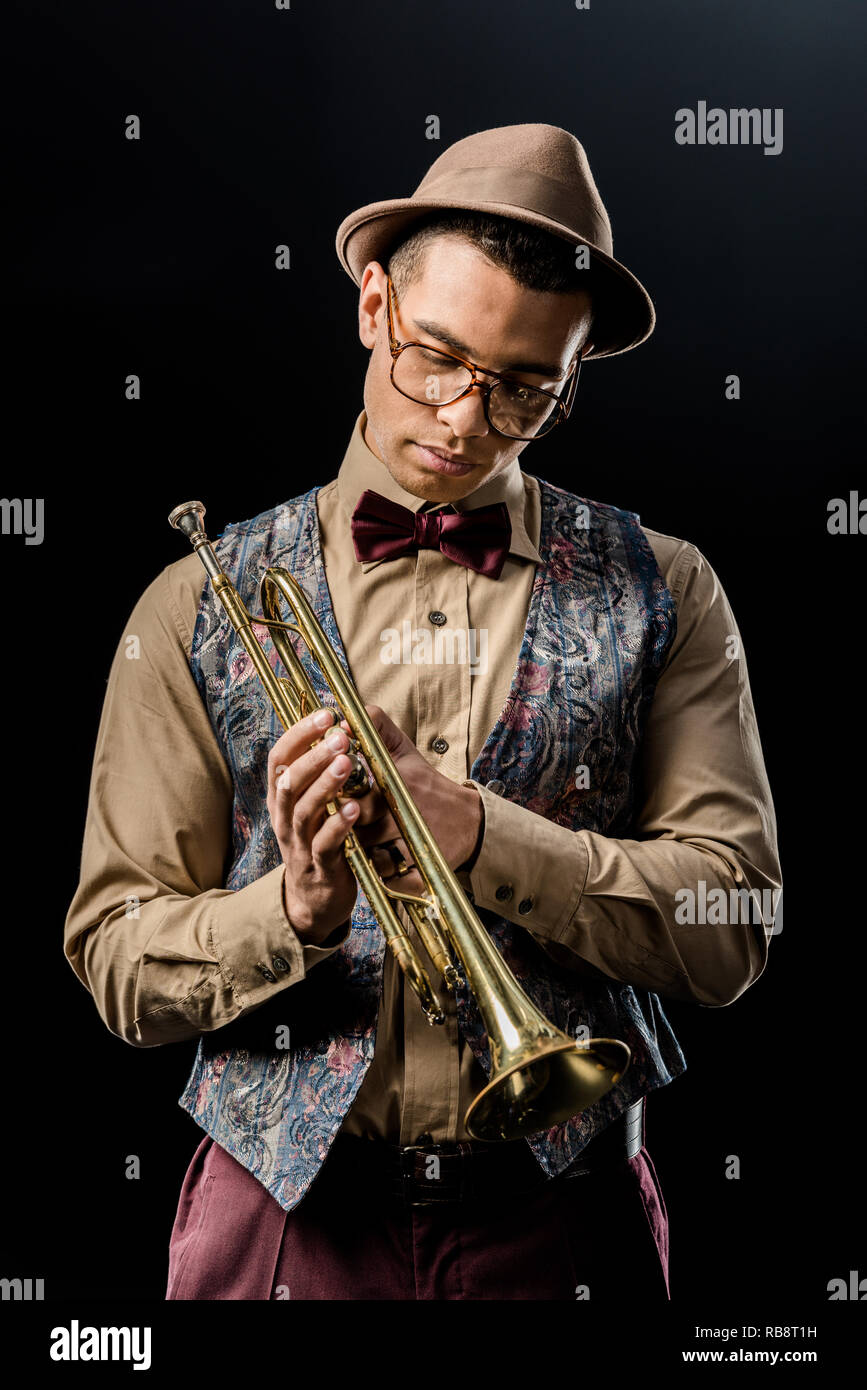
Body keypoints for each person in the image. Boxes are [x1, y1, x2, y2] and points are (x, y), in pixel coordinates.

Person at [64, 123, 781, 1301]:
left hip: (561, 1220)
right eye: (435, 356)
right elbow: (114, 959)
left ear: (573, 375)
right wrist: (288, 913)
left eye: (523, 390)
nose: (461, 416)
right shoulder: (195, 600)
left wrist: (491, 839)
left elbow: (732, 922)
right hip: (284, 1218)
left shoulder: (671, 588)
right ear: (373, 307)